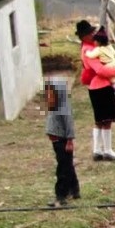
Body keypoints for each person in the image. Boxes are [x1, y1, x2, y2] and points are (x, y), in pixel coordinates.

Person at [76, 20, 115, 161]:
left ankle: (98, 150)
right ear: (84, 36)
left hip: (96, 87)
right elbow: (100, 70)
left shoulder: (90, 48)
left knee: (100, 120)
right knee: (106, 120)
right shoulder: (89, 51)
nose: (93, 35)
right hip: (101, 86)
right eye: (90, 33)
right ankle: (106, 150)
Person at [44, 76, 79, 206]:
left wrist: (69, 141)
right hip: (56, 140)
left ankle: (61, 195)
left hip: (62, 141)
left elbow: (69, 124)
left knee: (63, 169)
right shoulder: (53, 104)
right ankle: (74, 190)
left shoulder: (63, 106)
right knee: (68, 166)